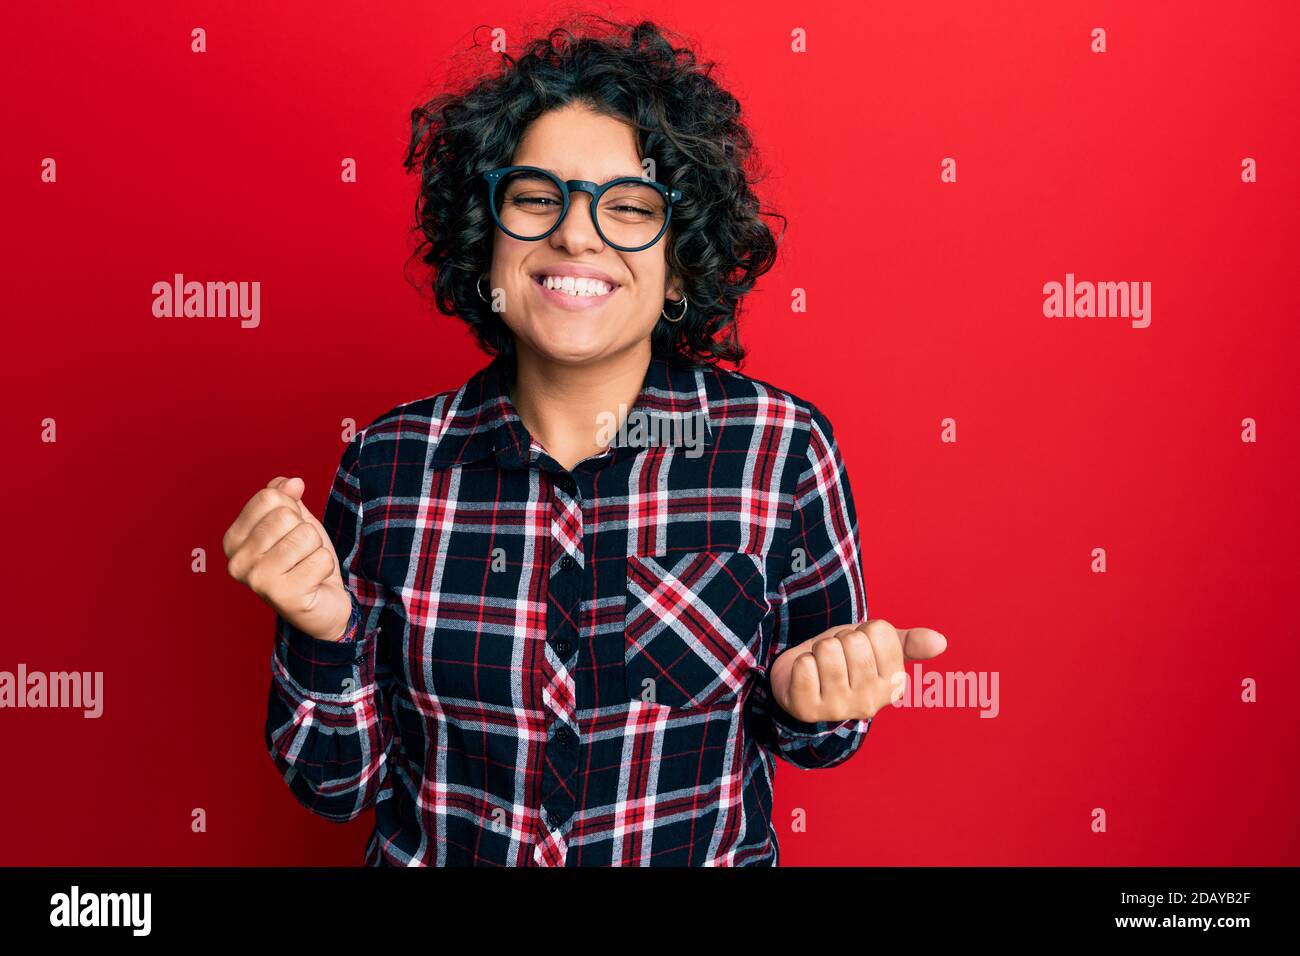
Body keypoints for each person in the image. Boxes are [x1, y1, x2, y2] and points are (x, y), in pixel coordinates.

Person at [223, 16, 946, 866]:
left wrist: (810, 700)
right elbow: (336, 788)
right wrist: (321, 626)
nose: (577, 233)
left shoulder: (780, 451)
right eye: (536, 198)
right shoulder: (388, 465)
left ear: (680, 266)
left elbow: (822, 739)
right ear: (485, 240)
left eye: (630, 207)